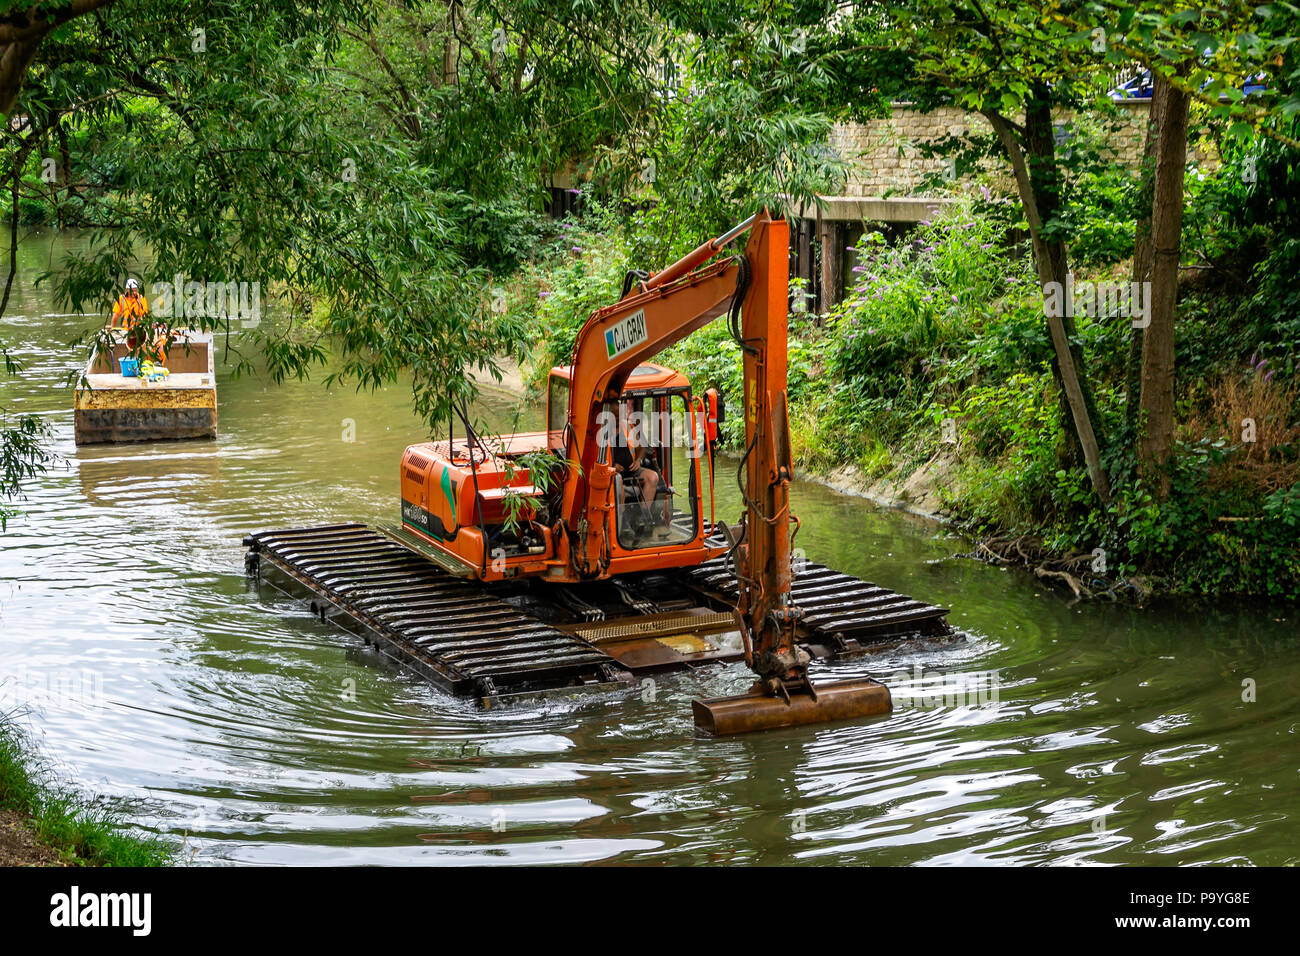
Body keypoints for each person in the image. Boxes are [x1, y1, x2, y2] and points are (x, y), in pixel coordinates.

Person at [612, 399, 665, 528]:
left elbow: (641, 448)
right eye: (616, 415)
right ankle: (622, 522)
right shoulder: (602, 431)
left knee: (652, 477)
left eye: (620, 415)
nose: (619, 418)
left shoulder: (628, 427)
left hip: (632, 470)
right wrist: (612, 466)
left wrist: (638, 460)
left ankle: (642, 517)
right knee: (618, 483)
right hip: (613, 473)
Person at [110, 278, 166, 363]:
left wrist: (148, 327)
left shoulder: (141, 299)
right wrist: (112, 328)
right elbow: (115, 315)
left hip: (139, 329)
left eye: (135, 290)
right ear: (127, 290)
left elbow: (144, 316)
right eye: (132, 291)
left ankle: (145, 359)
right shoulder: (121, 299)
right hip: (126, 330)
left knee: (149, 343)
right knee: (129, 344)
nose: (134, 293)